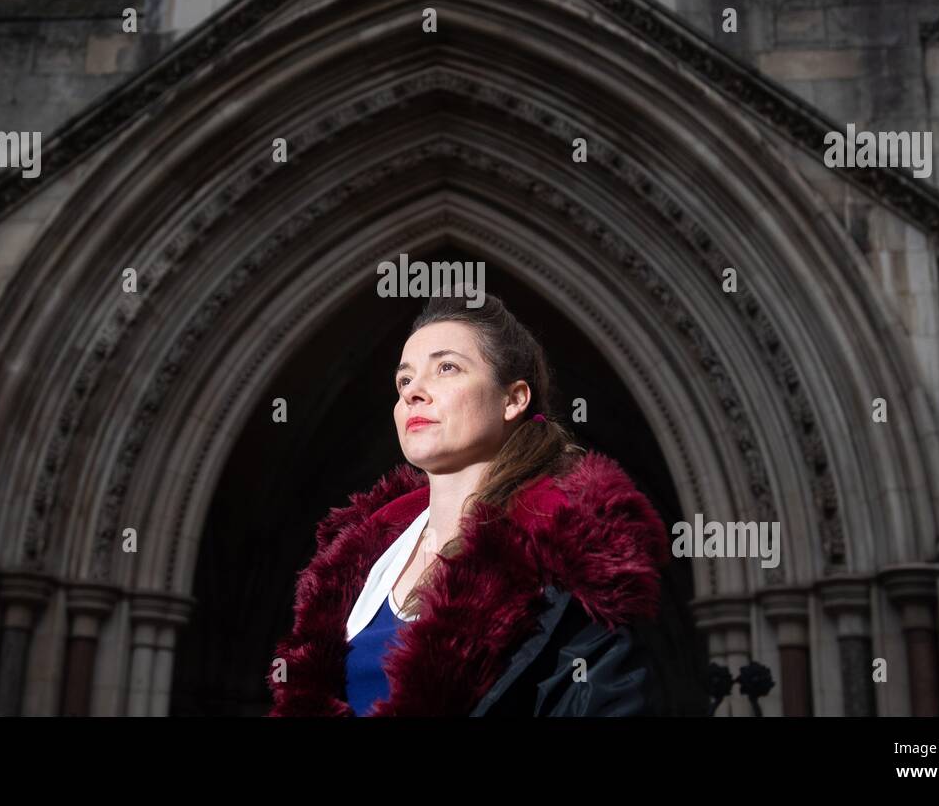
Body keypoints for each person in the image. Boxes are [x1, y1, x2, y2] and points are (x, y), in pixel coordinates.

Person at [266, 291, 670, 716]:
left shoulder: (569, 561)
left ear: (513, 399)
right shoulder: (358, 564)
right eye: (404, 380)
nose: (413, 393)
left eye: (446, 368)